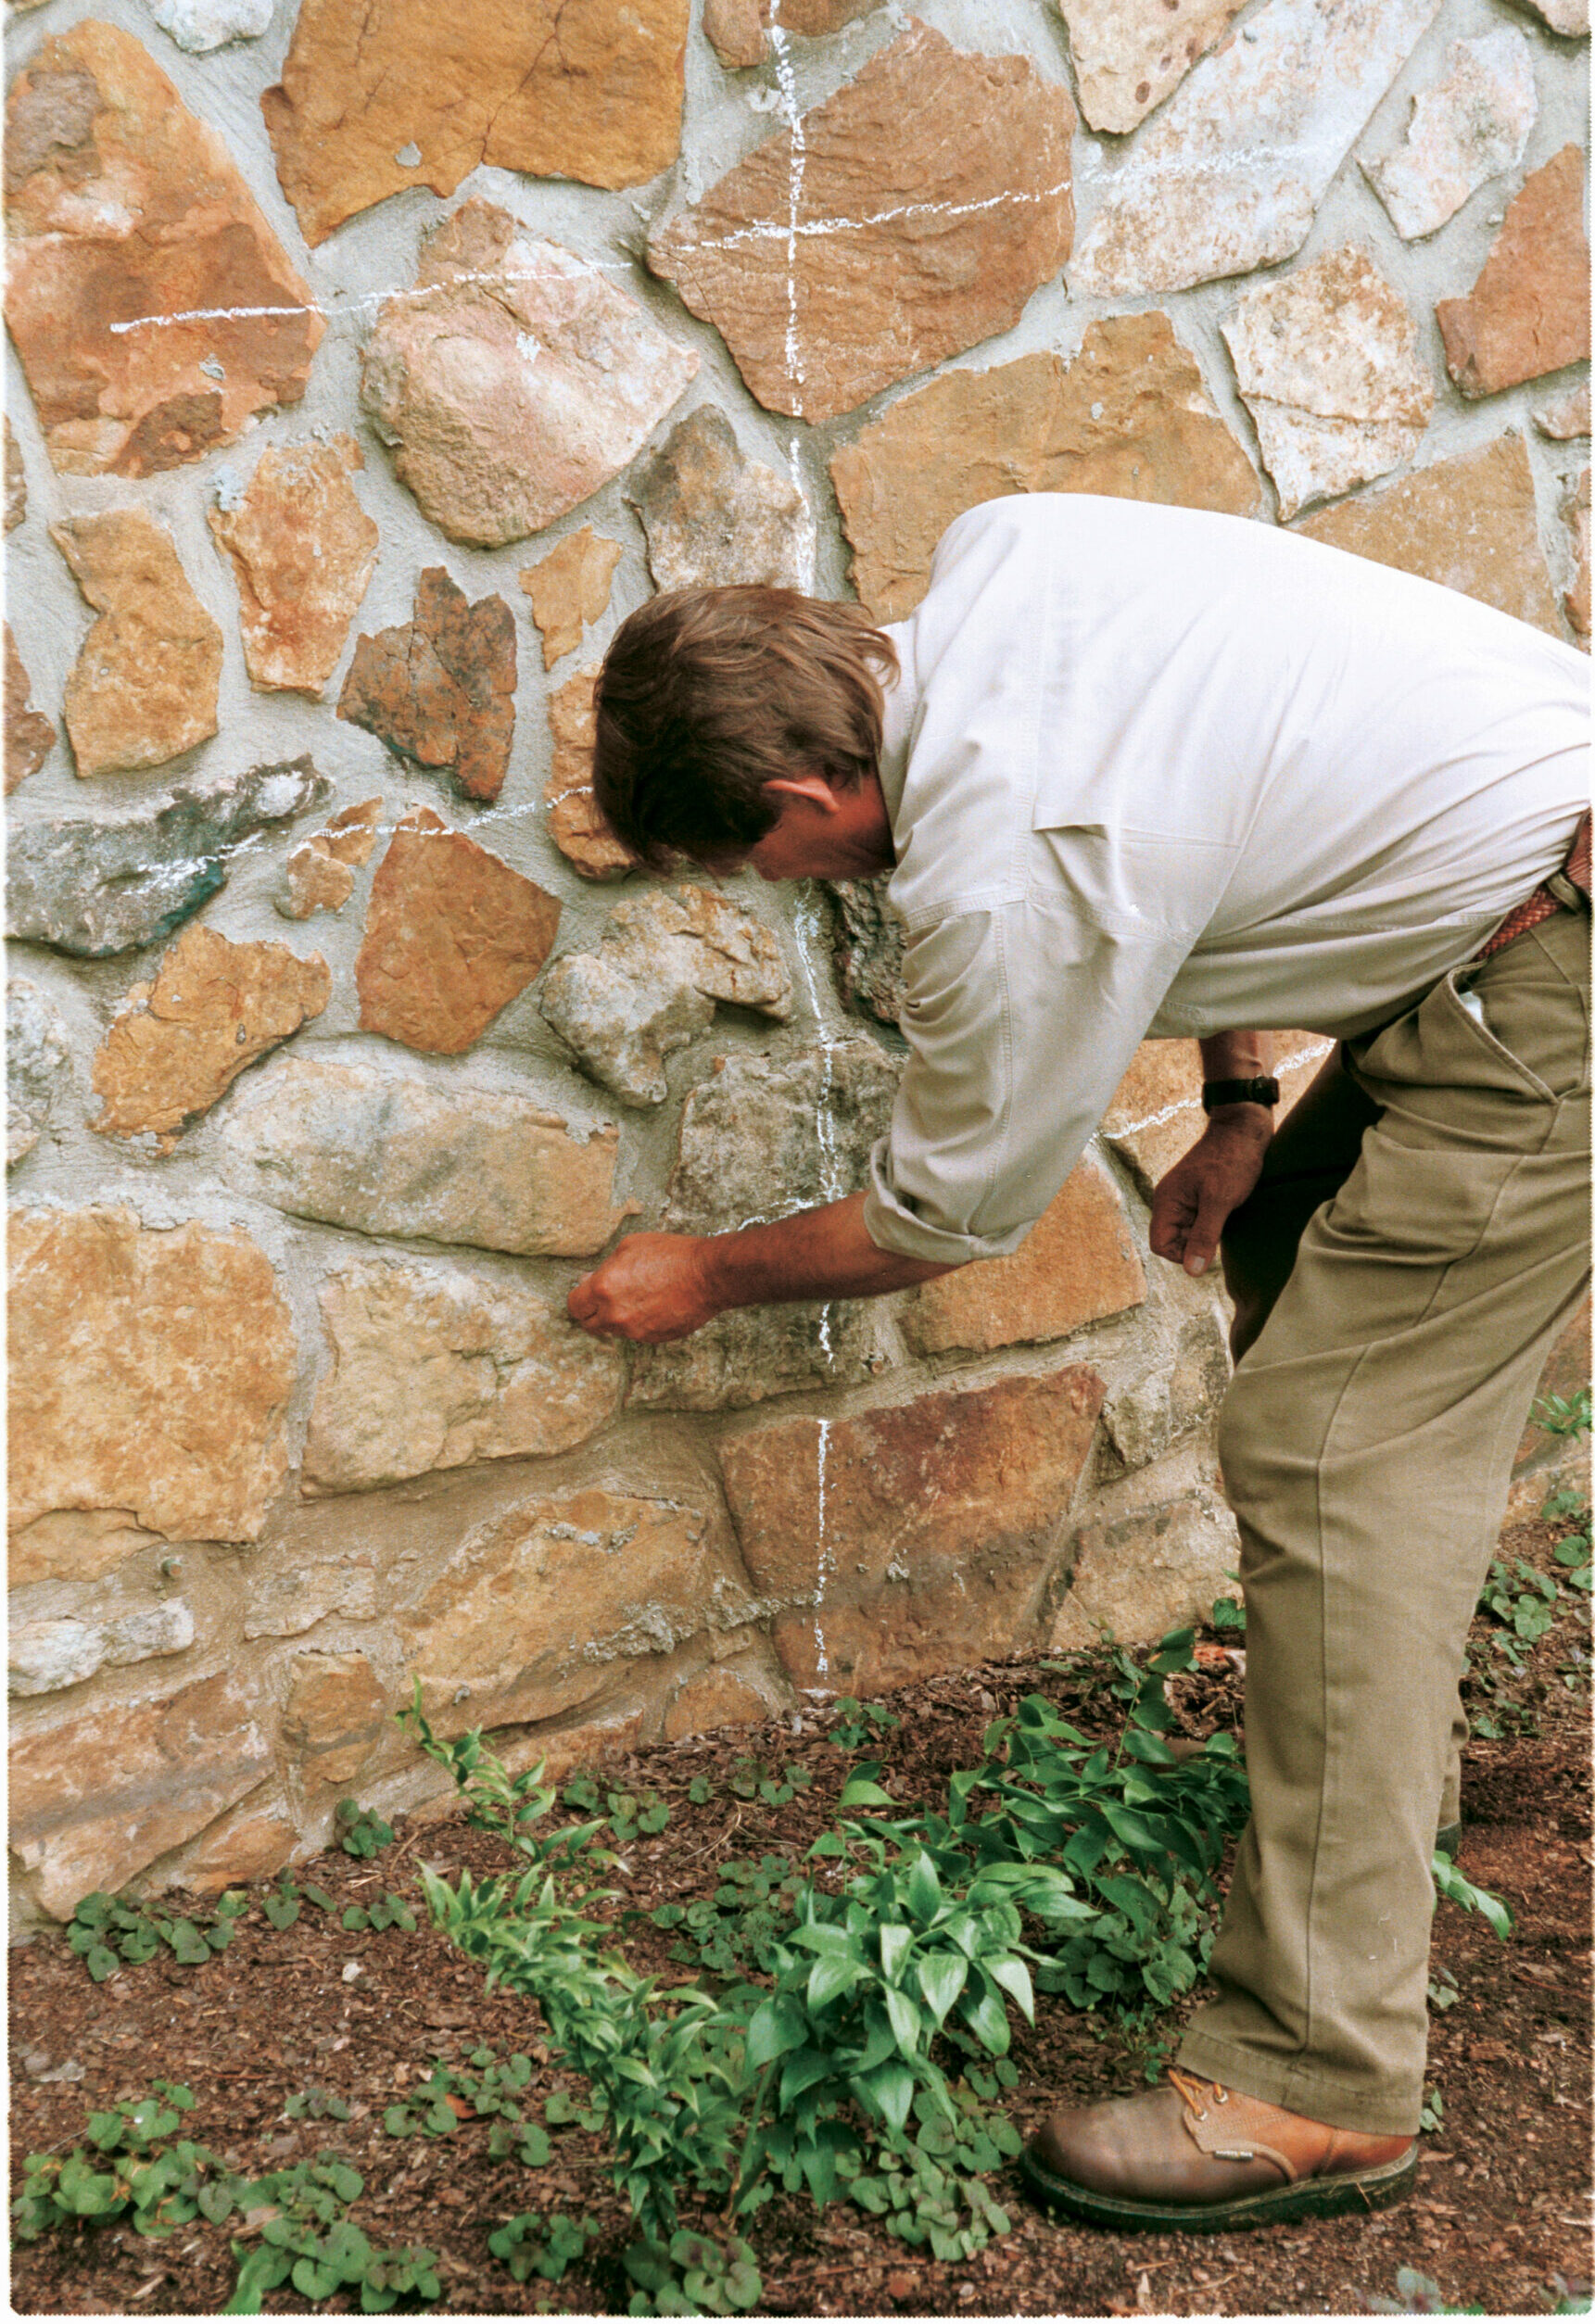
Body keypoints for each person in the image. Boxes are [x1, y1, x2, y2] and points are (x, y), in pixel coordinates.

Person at [565, 493, 1590, 2234]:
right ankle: (1369, 1775)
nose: (784, 894)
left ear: (803, 800)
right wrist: (1239, 1102)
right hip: (1510, 899)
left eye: (762, 867)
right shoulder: (1012, 551)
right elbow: (1206, 799)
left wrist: (703, 1275)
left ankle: (1317, 2078)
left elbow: (942, 1219)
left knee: (1331, 1459)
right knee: (1289, 1239)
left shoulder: (999, 864)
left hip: (1551, 966)